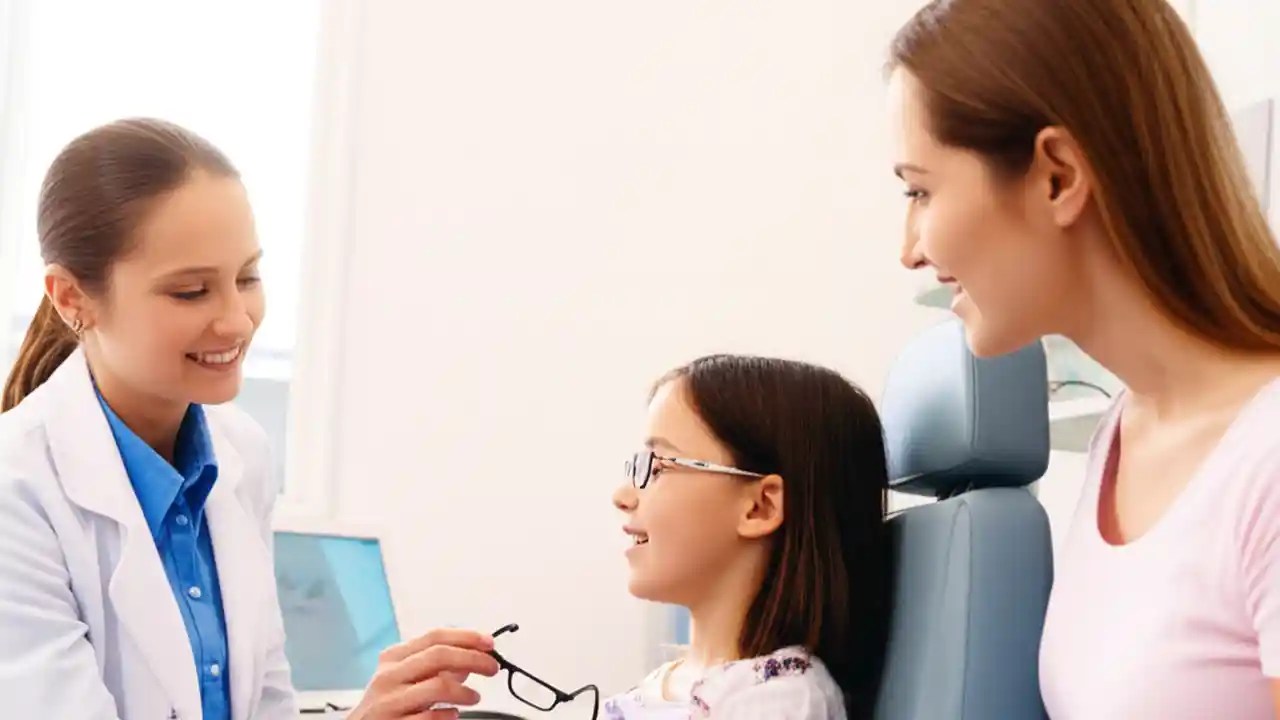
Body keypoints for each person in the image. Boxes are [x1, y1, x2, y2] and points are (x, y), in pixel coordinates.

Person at [0, 118, 499, 720]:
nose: (237, 320)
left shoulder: (242, 455)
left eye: (247, 277)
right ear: (72, 297)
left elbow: (265, 707)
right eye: (190, 292)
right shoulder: (18, 491)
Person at [887, 0, 1280, 718]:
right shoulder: (1122, 435)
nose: (909, 248)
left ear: (1057, 177)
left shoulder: (1267, 459)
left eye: (921, 191)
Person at [605, 355, 892, 719]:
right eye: (637, 466)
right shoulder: (669, 684)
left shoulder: (780, 701)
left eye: (657, 465)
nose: (623, 495)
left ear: (760, 507)